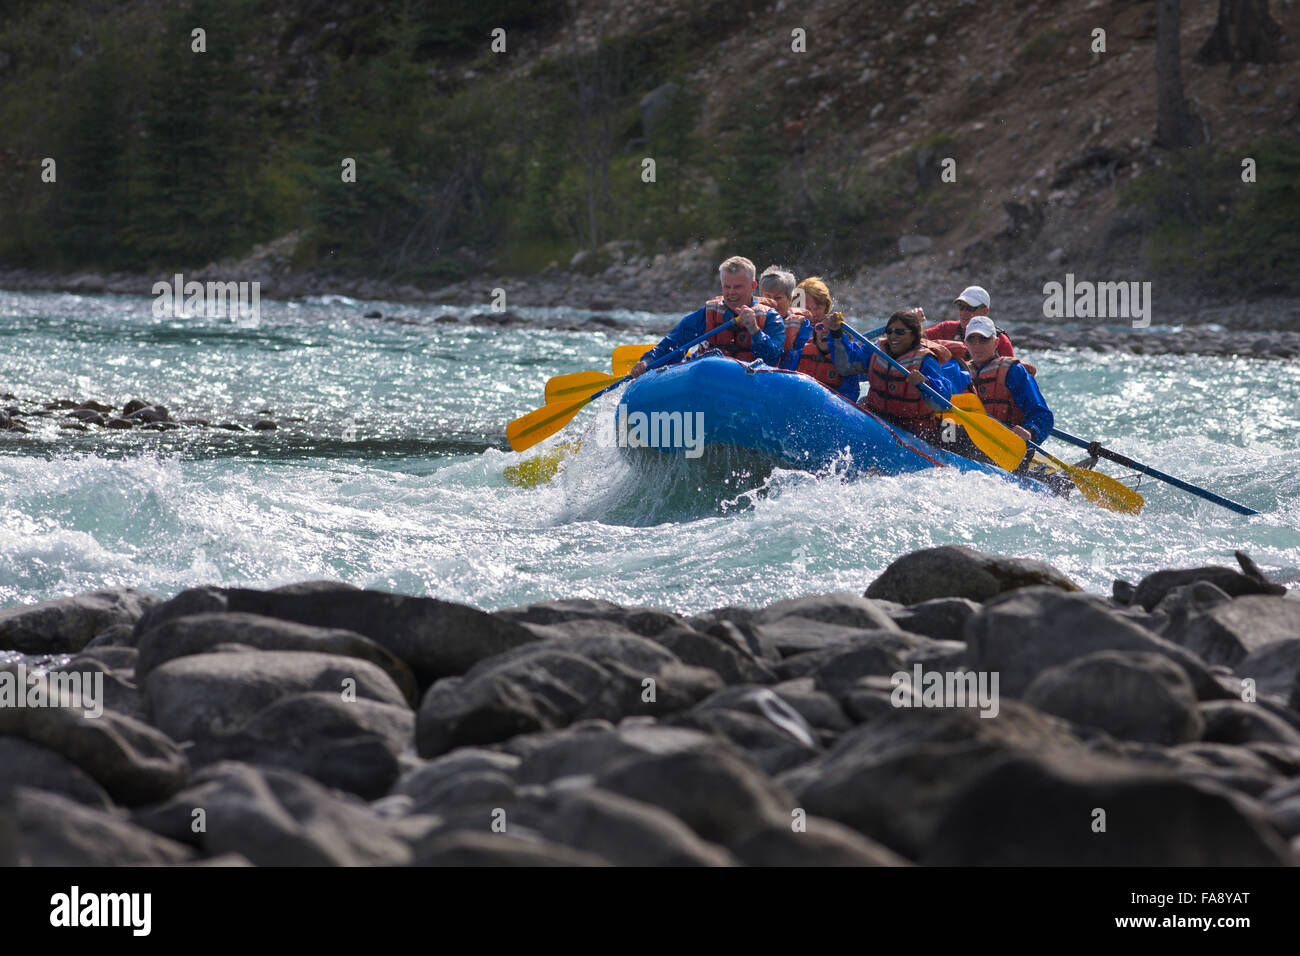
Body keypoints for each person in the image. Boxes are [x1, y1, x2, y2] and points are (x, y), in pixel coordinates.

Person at [630, 257, 785, 377]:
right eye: (727, 287)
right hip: (710, 382)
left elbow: (772, 360)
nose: (731, 292)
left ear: (753, 286)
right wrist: (648, 361)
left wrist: (754, 330)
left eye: (738, 287)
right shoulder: (706, 315)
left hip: (750, 382)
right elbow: (672, 344)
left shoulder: (771, 318)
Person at [827, 307, 951, 441]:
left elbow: (942, 400)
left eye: (900, 332)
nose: (893, 336)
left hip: (910, 429)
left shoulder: (925, 359)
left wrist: (926, 383)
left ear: (914, 335)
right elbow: (846, 365)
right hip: (876, 417)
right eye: (889, 331)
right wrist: (836, 334)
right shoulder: (876, 350)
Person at [956, 315, 1054, 445]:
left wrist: (1030, 431)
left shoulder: (1013, 371)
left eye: (984, 339)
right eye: (972, 339)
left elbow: (1043, 415)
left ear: (996, 343)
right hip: (971, 444)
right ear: (965, 344)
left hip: (1007, 445)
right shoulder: (960, 371)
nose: (977, 345)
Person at [782, 276, 858, 401]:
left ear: (826, 306)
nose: (812, 314)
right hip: (797, 392)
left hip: (829, 399)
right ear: (795, 306)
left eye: (817, 308)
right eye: (806, 308)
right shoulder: (788, 325)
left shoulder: (838, 329)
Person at [924, 285, 1016, 361]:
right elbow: (916, 339)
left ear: (985, 311)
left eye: (970, 308)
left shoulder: (1001, 341)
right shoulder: (946, 328)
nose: (964, 312)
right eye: (961, 307)